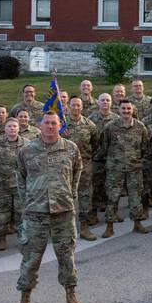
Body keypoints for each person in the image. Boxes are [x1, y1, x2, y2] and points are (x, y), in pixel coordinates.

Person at [14, 113, 85, 303]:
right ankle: (25, 301)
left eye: (54, 123)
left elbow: (76, 174)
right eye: (46, 123)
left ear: (59, 125)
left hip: (63, 212)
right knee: (30, 259)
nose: (50, 126)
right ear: (39, 126)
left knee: (67, 258)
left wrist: (68, 196)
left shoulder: (70, 148)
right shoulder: (26, 151)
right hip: (35, 213)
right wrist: (29, 202)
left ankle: (71, 297)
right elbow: (20, 179)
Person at [97, 100, 151, 235]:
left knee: (135, 197)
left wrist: (136, 160)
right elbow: (104, 146)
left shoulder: (140, 127)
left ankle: (137, 223)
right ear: (119, 110)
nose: (126, 111)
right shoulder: (110, 126)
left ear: (132, 110)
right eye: (123, 108)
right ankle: (109, 227)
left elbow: (144, 147)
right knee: (112, 197)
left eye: (128, 108)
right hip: (115, 168)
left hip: (134, 168)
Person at [61, 96, 99, 241]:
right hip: (64, 166)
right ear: (68, 106)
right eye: (73, 105)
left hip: (84, 165)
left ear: (82, 107)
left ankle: (84, 227)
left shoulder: (90, 125)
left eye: (78, 105)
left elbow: (95, 143)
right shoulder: (62, 124)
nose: (76, 108)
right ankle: (65, 229)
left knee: (85, 195)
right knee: (64, 196)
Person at [0, 119, 25, 251]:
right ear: (5, 129)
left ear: (19, 128)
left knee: (21, 214)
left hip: (20, 186)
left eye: (14, 126)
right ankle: (2, 238)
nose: (12, 128)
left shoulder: (27, 145)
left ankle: (22, 239)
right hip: (2, 186)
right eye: (9, 126)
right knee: (3, 215)